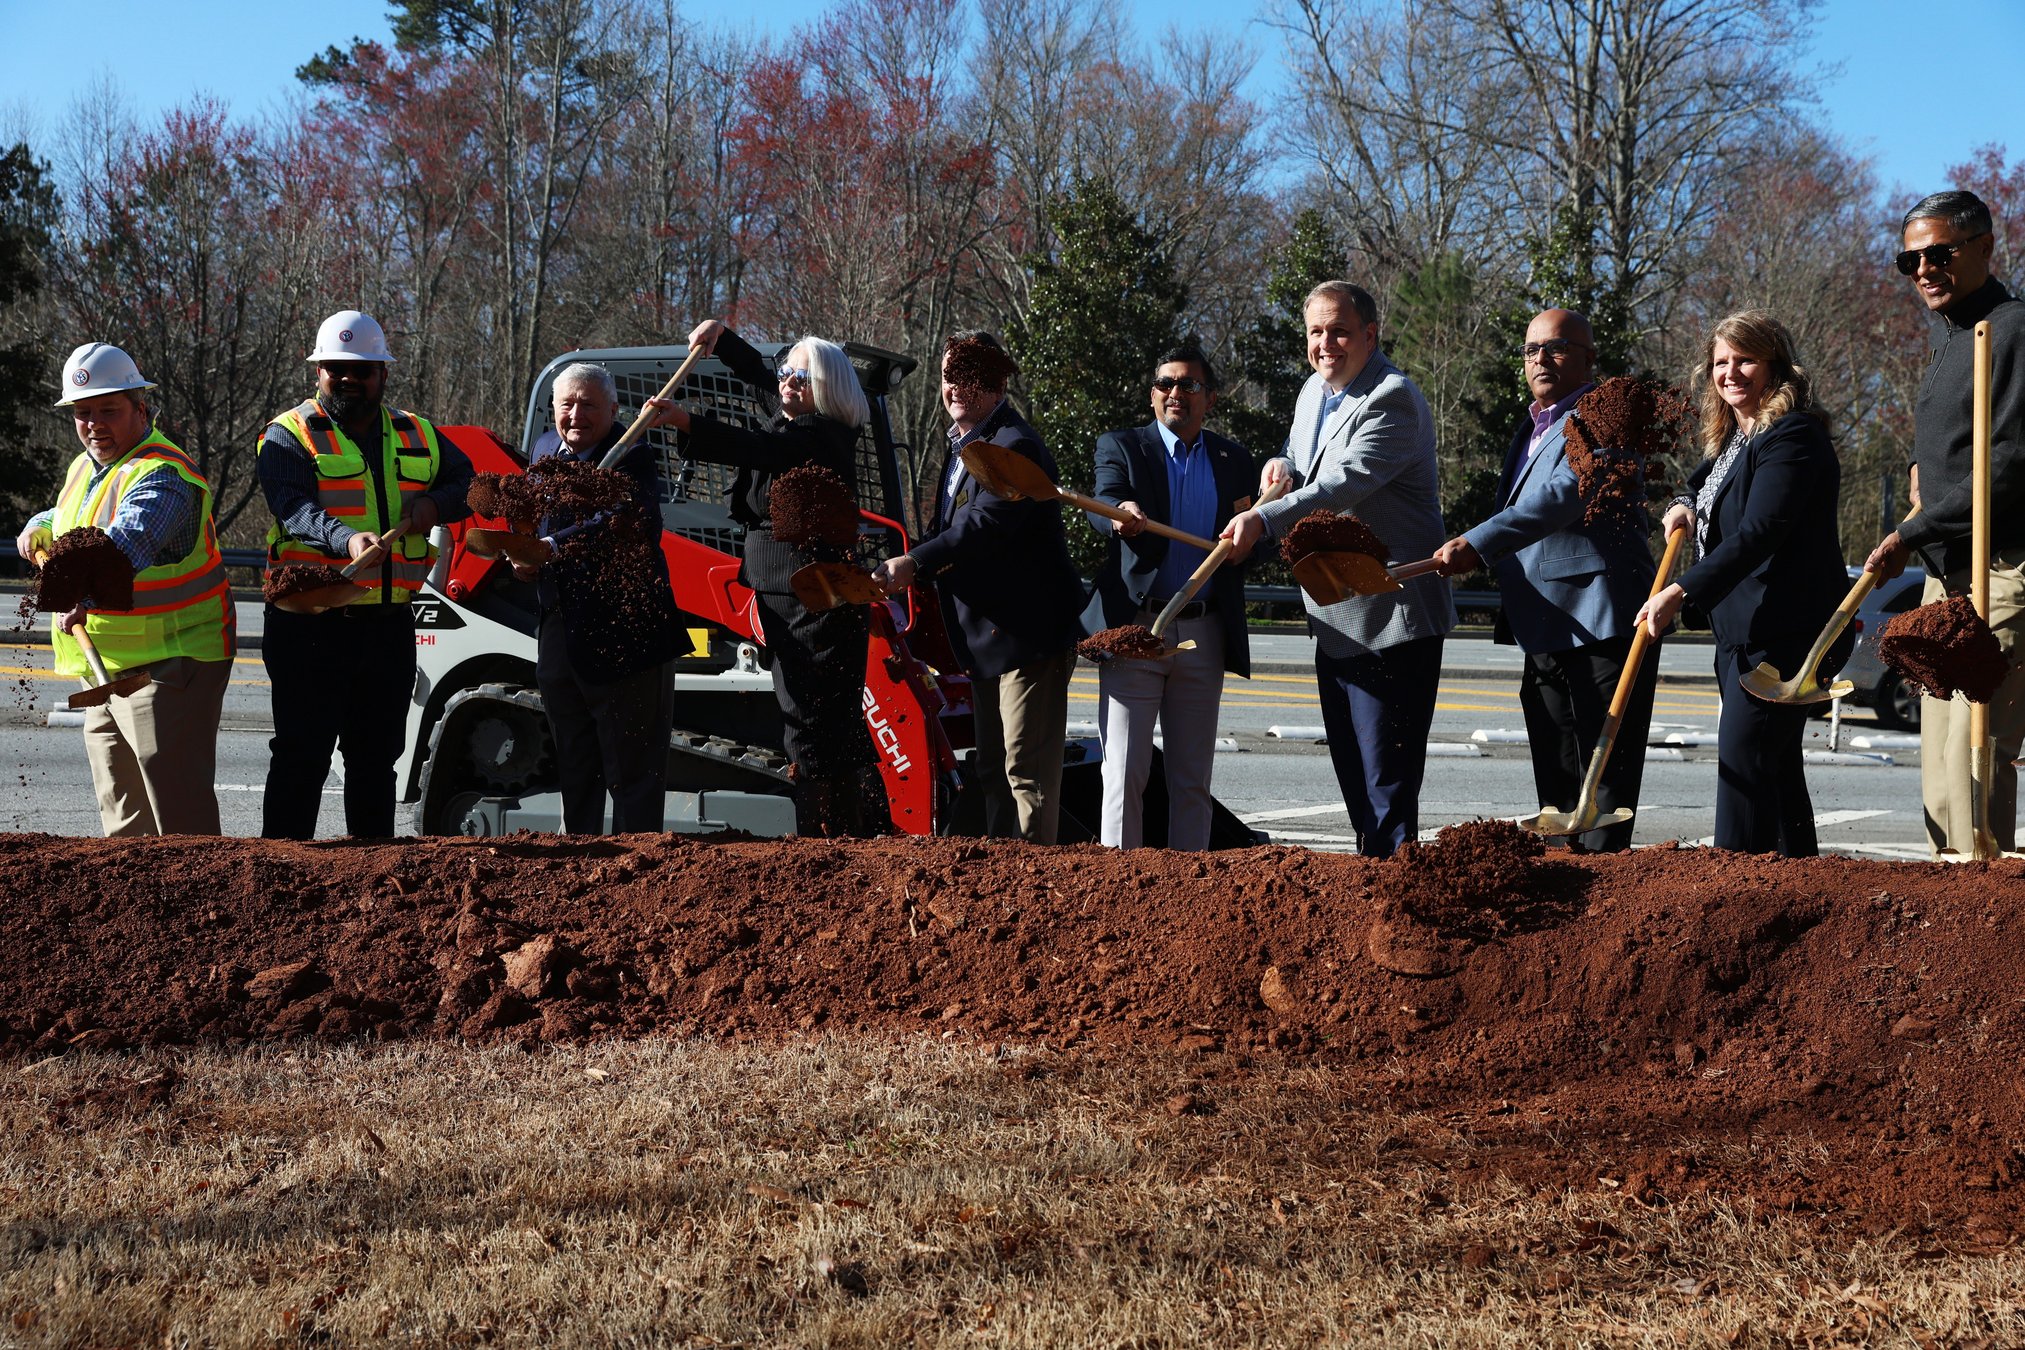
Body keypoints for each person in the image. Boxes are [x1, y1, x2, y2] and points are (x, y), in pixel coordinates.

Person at [1222, 281, 1455, 857]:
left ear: (1370, 335)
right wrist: (1281, 465)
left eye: (1340, 331)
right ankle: (1373, 888)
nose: (1326, 343)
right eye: (1316, 332)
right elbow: (1304, 461)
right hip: (1336, 615)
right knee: (1355, 779)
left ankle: (1400, 910)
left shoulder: (1393, 397)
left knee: (1387, 786)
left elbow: (1341, 483)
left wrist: (1265, 519)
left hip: (1394, 617)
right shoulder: (1313, 391)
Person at [643, 320, 888, 836]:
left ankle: (828, 839)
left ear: (823, 388)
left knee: (810, 723)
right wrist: (724, 339)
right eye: (787, 372)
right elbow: (762, 377)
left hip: (808, 600)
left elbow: (757, 448)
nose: (787, 381)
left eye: (801, 376)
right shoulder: (800, 419)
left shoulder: (816, 436)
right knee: (825, 722)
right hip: (799, 593)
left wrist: (686, 422)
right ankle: (851, 833)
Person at [1430, 309, 1659, 851]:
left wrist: (1479, 542)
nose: (1540, 358)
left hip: (1601, 617)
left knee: (1603, 780)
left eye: (1556, 347)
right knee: (1556, 778)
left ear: (1588, 358)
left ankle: (1604, 902)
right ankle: (1564, 901)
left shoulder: (1607, 414)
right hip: (1544, 622)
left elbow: (1563, 495)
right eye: (1531, 349)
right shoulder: (1534, 426)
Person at [1636, 310, 1848, 856]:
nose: (1730, 372)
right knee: (1775, 773)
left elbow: (1761, 531)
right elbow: (1704, 482)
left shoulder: (1793, 435)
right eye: (1720, 362)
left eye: (1745, 359)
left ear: (1776, 365)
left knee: (1744, 771)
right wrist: (1685, 502)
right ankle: (1801, 898)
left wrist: (1680, 591)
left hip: (1783, 633)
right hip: (1741, 631)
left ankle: (1737, 897)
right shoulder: (1737, 436)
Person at [257, 310, 473, 839]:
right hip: (309, 625)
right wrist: (346, 538)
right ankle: (283, 870)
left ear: (383, 374)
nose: (349, 378)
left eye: (363, 369)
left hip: (387, 626)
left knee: (376, 760)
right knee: (301, 755)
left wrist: (436, 505)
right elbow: (292, 508)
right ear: (318, 372)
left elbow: (467, 481)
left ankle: (373, 871)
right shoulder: (288, 435)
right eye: (337, 368)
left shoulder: (417, 432)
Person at [869, 332, 1088, 843]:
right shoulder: (963, 445)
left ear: (997, 384)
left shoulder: (1014, 445)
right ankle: (1000, 882)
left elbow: (983, 526)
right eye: (949, 376)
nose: (956, 388)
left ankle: (1034, 886)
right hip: (989, 641)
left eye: (971, 377)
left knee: (1024, 774)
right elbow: (953, 530)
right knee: (992, 768)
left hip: (1027, 638)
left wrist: (914, 563)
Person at [14, 343, 234, 836]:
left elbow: (128, 542)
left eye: (108, 410)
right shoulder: (86, 467)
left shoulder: (164, 475)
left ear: (140, 407)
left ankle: (197, 906)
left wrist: (85, 596)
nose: (94, 424)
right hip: (106, 667)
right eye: (83, 412)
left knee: (178, 819)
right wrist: (39, 522)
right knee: (123, 816)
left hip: (170, 663)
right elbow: (75, 515)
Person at [1864, 190, 2025, 855]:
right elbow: (1955, 438)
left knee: (1972, 752)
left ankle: (1983, 901)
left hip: (1999, 564)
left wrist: (1913, 530)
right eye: (1909, 260)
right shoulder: (1948, 331)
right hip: (1944, 571)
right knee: (1937, 759)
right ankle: (1952, 896)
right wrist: (1915, 472)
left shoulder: (2010, 328)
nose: (1923, 270)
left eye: (1938, 254)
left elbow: (2010, 458)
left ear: (1984, 247)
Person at [1086, 344, 1261, 849]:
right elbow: (1101, 501)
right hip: (1137, 630)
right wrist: (1121, 511)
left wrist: (1248, 542)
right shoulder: (1123, 446)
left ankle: (1190, 895)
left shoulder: (1234, 460)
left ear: (1210, 398)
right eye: (1166, 384)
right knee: (1123, 774)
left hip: (1203, 632)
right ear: (1152, 396)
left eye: (1188, 385)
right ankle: (1120, 892)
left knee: (1191, 780)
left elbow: (1259, 536)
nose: (1175, 393)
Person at [508, 362, 682, 833]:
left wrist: (552, 547)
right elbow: (535, 521)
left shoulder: (634, 452)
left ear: (613, 409)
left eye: (588, 404)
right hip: (560, 629)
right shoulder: (544, 449)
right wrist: (524, 555)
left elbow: (628, 520)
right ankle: (579, 859)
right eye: (567, 404)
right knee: (573, 759)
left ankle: (637, 872)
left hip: (626, 632)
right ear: (553, 409)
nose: (576, 414)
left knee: (633, 769)